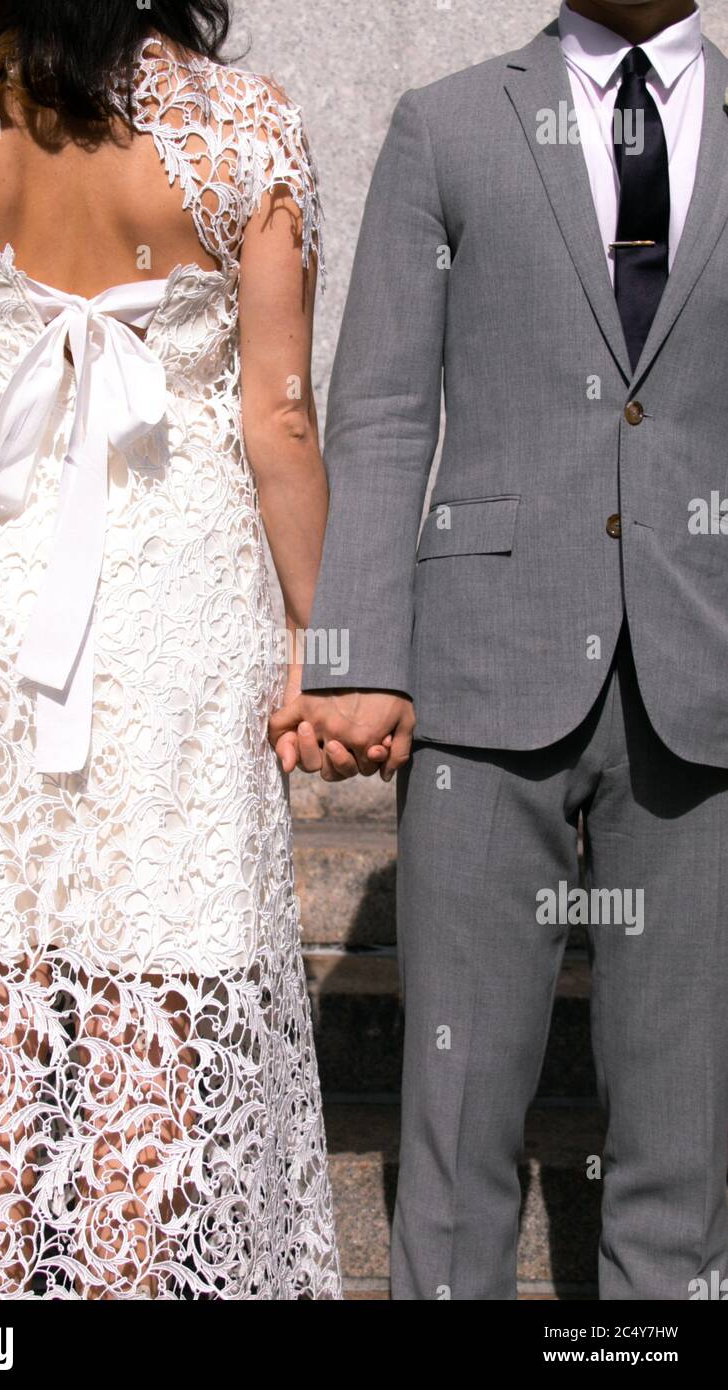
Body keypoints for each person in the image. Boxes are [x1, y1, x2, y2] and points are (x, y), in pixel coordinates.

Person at [0, 0, 340, 1299]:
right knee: (152, 1013)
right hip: (167, 619)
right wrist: (328, 637)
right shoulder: (242, 126)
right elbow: (280, 421)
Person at [273, 0, 728, 1299]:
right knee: (458, 1123)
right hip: (481, 678)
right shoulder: (449, 124)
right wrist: (357, 650)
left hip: (700, 688)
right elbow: (376, 404)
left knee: (685, 1154)